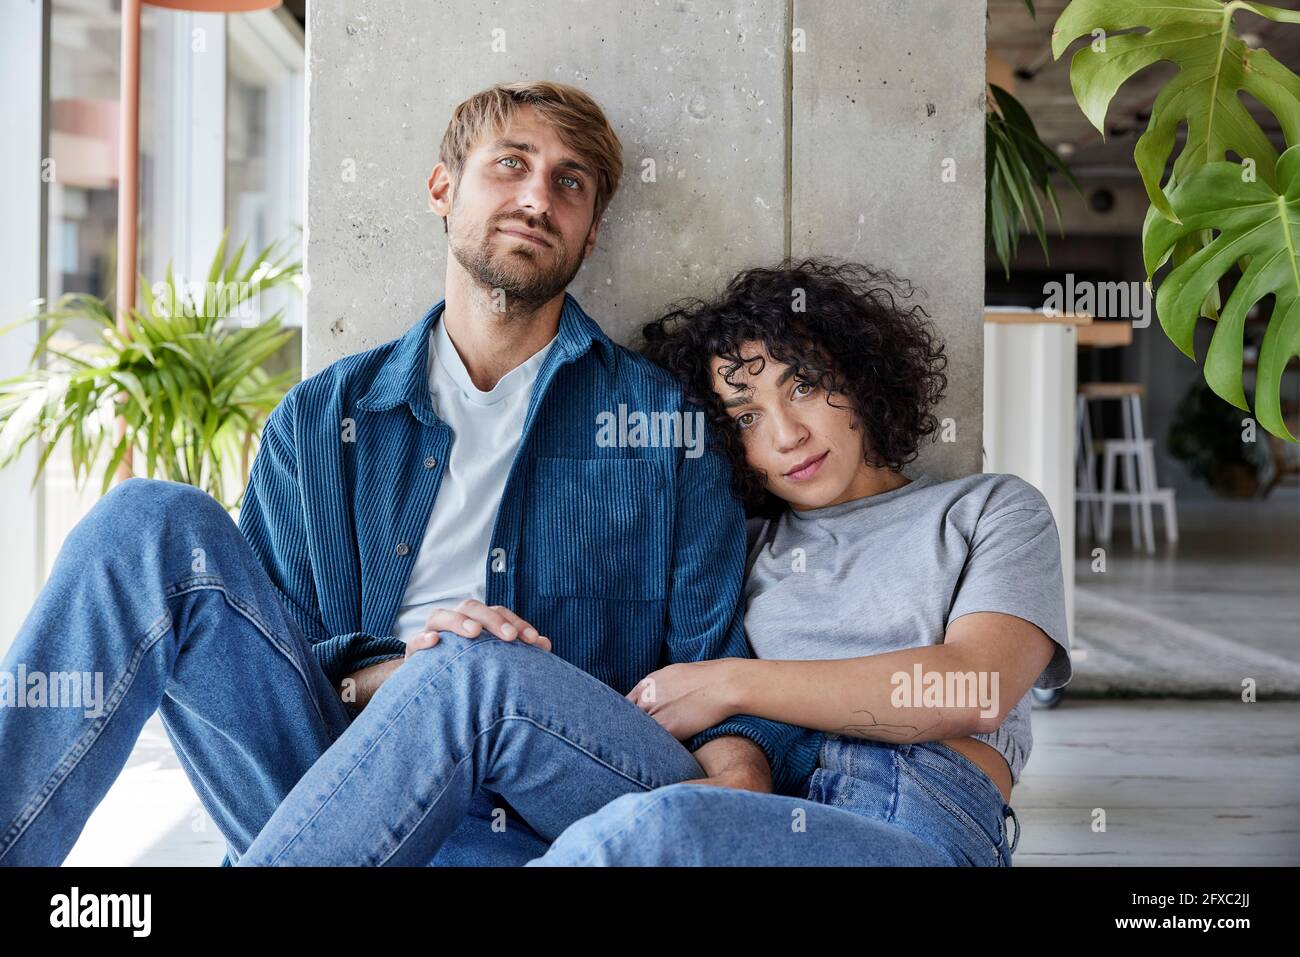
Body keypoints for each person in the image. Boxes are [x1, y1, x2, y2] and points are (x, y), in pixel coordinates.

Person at [0, 81, 819, 867]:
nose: (538, 197)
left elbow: (718, 670)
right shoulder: (322, 422)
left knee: (477, 667)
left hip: (555, 818)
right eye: (511, 163)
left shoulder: (664, 428)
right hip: (334, 791)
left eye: (569, 183)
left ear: (590, 233)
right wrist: (401, 674)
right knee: (146, 521)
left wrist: (732, 797)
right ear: (441, 188)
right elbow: (282, 666)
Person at [526, 258, 1074, 866]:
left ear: (861, 378)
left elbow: (975, 688)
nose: (787, 436)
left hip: (916, 808)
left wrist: (732, 683)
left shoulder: (987, 510)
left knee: (657, 826)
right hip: (771, 800)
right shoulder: (744, 544)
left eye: (804, 387)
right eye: (746, 417)